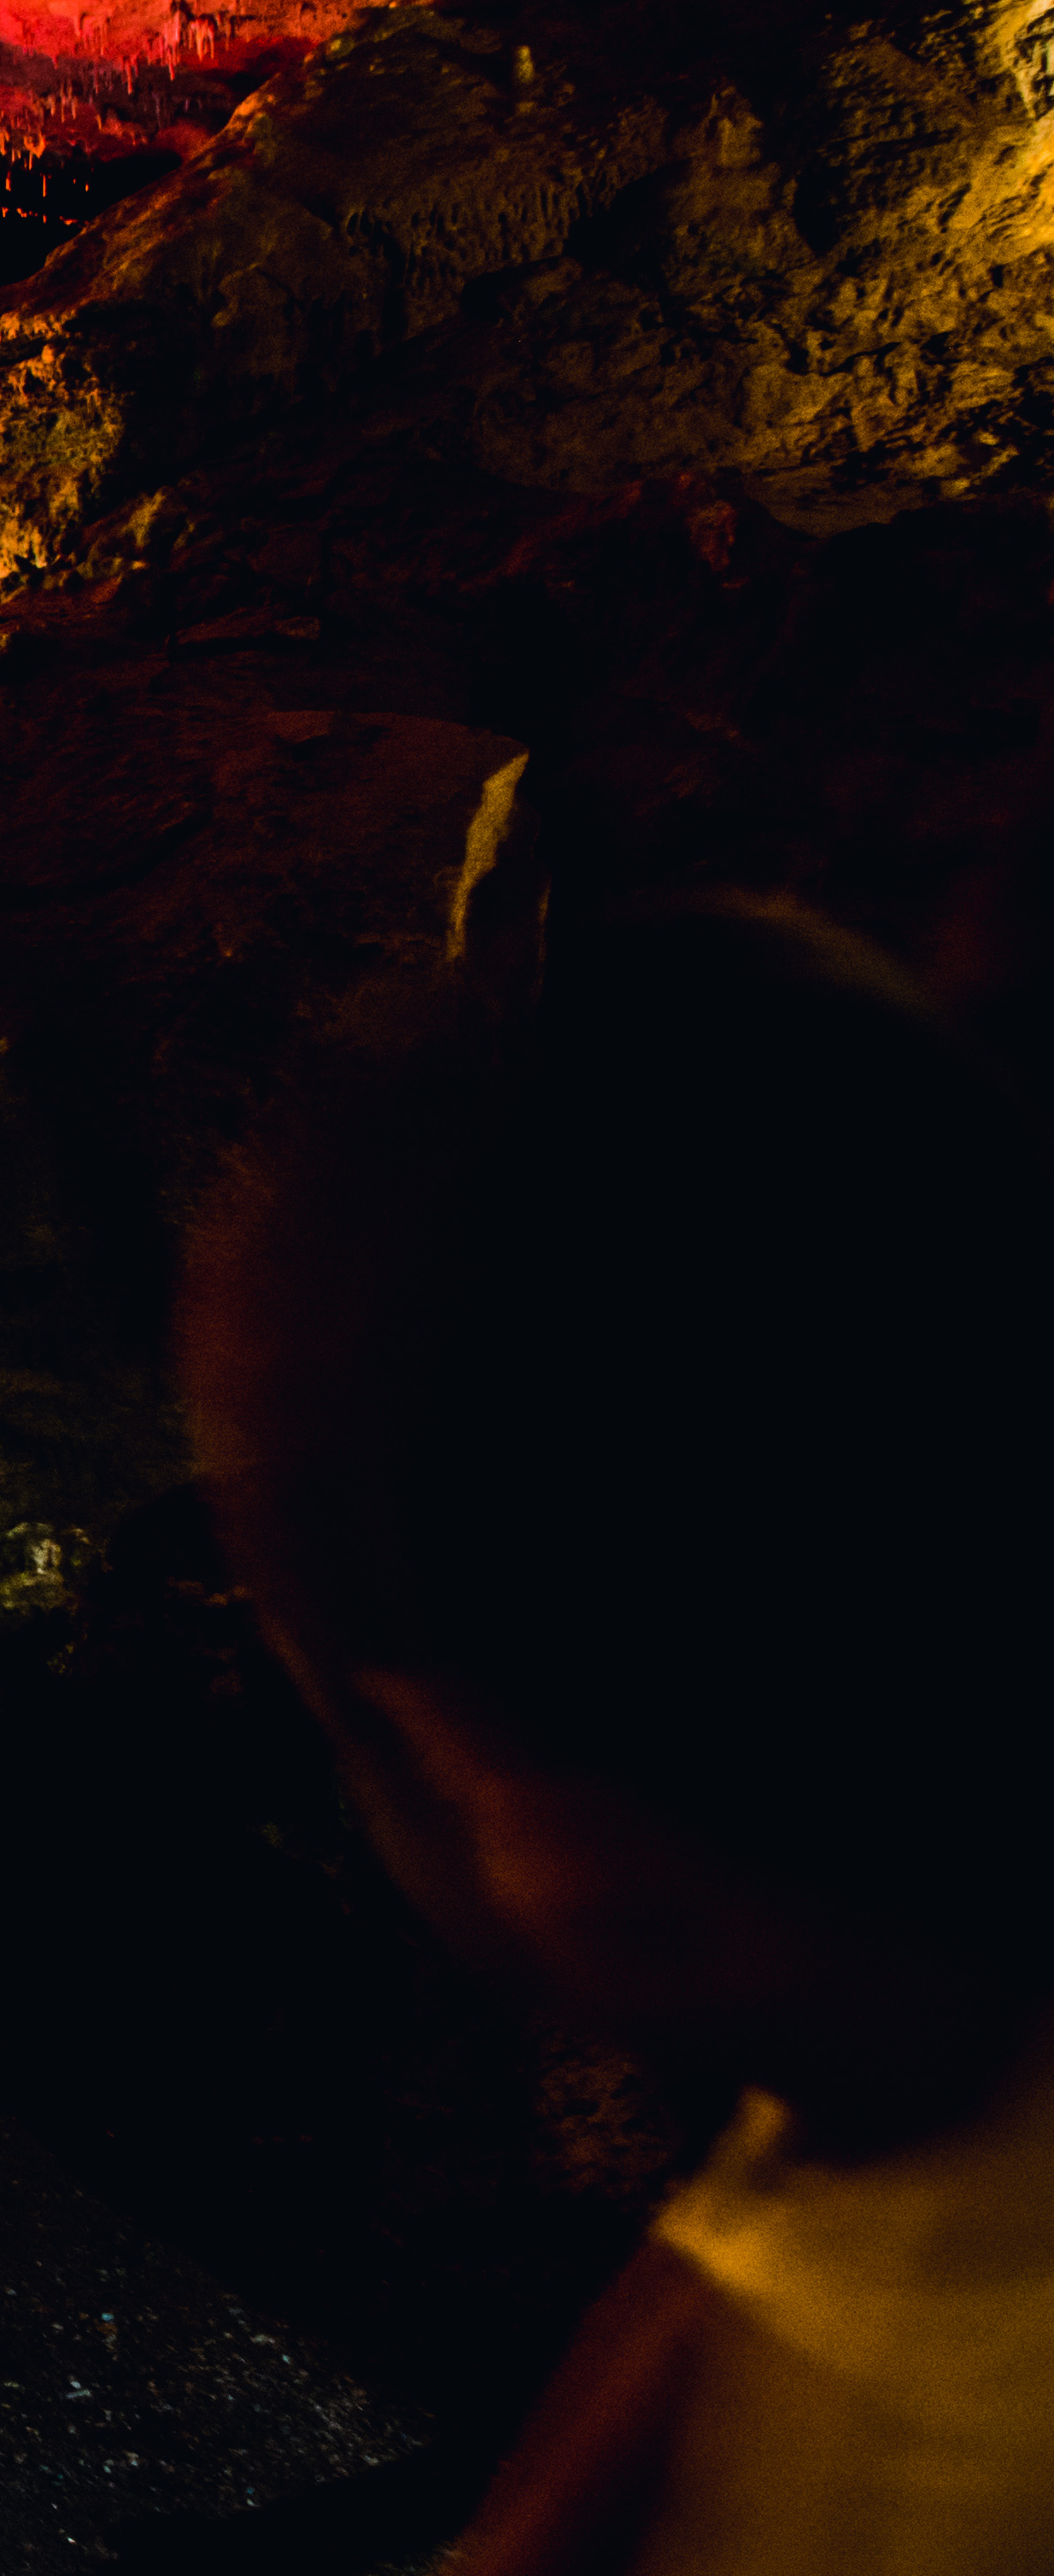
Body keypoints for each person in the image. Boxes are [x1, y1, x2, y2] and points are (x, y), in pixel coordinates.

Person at [179, 897, 1054, 2576]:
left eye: (341, 1713)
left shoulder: (954, 2495)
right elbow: (755, 2230)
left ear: (562, 1852)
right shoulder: (906, 1978)